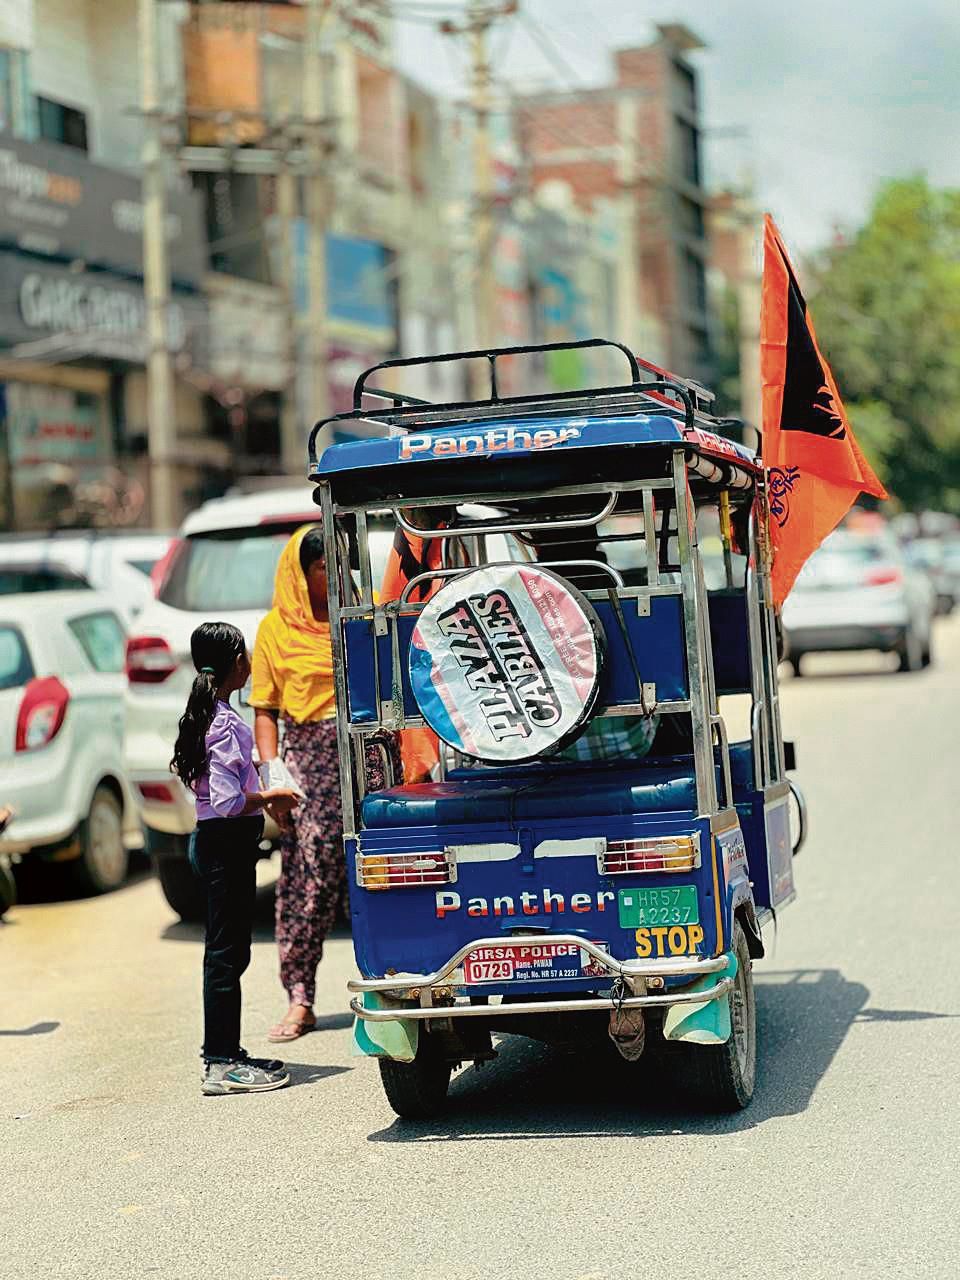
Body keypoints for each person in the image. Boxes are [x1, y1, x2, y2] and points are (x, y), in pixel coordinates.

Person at [252, 526, 399, 1044]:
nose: (335, 576)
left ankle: (394, 981)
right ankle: (300, 997)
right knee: (309, 878)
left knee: (383, 865)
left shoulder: (358, 618)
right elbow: (266, 709)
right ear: (301, 574)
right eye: (322, 568)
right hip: (310, 758)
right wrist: (272, 772)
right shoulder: (276, 630)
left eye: (340, 565)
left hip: (365, 751)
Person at [171, 621, 301, 1095]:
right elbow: (227, 800)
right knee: (225, 955)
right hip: (225, 845)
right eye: (244, 655)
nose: (250, 663)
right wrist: (269, 796)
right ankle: (220, 1062)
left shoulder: (207, 714)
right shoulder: (225, 724)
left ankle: (227, 1051)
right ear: (235, 665)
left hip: (212, 841)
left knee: (230, 951)